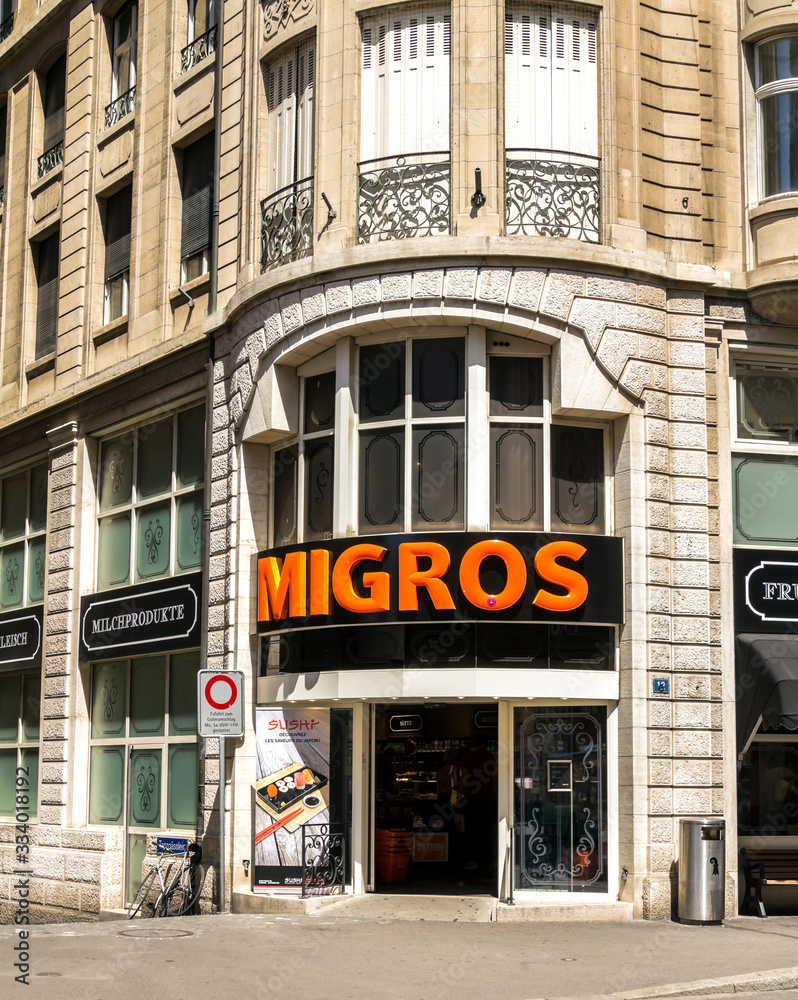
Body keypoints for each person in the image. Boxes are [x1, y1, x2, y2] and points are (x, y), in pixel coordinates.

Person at [459, 736, 498, 874]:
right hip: (489, 800)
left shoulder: (467, 757)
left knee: (472, 832)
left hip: (472, 799)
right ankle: (489, 861)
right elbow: (494, 778)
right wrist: (496, 795)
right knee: (488, 832)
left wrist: (462, 794)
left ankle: (473, 861)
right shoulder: (491, 757)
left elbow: (465, 776)